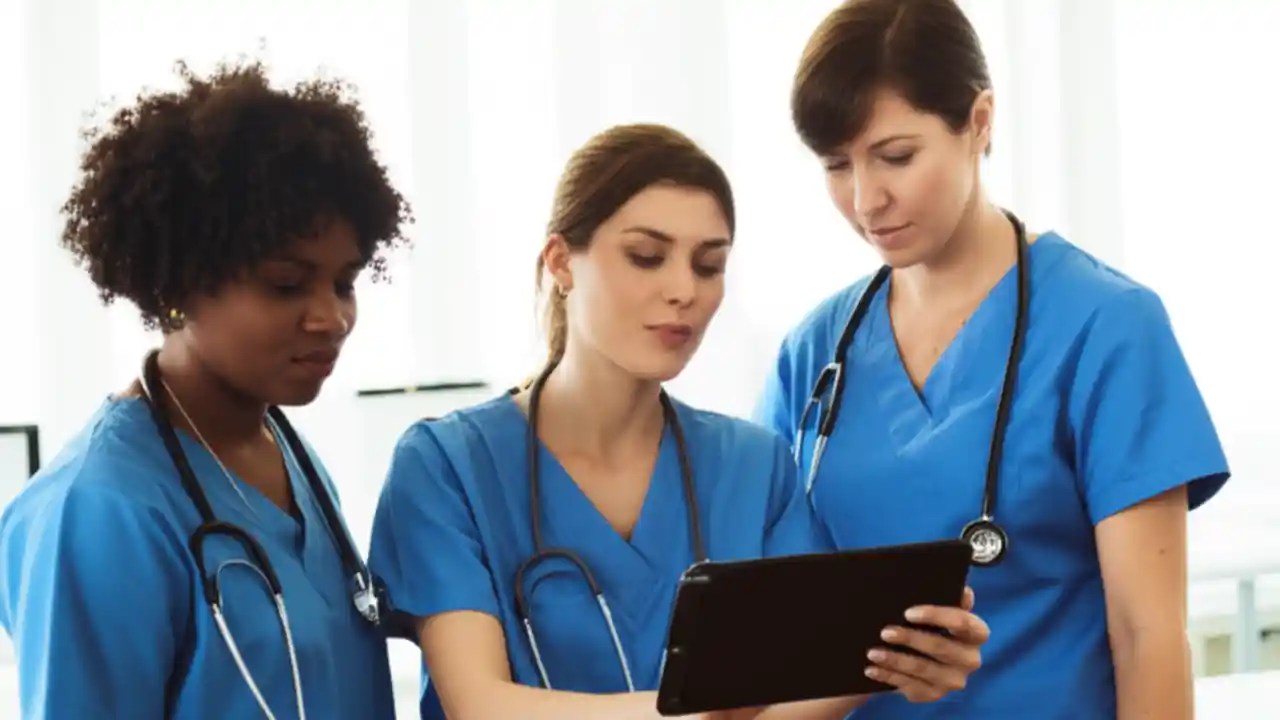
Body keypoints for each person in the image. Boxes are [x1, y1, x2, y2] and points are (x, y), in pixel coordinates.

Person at [367, 123, 990, 720]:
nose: (683, 290)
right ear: (560, 262)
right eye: (646, 256)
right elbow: (481, 705)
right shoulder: (447, 466)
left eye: (708, 265)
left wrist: (890, 666)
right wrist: (697, 714)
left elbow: (792, 691)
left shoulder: (753, 466)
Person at [754, 1, 1231, 718]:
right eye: (835, 165)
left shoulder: (1106, 327)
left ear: (980, 123)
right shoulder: (816, 352)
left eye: (895, 157)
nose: (865, 199)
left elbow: (1148, 636)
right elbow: (772, 625)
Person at [0, 59, 411, 719]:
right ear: (175, 287)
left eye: (344, 282)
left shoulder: (292, 459)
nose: (330, 318)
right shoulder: (97, 510)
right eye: (285, 283)